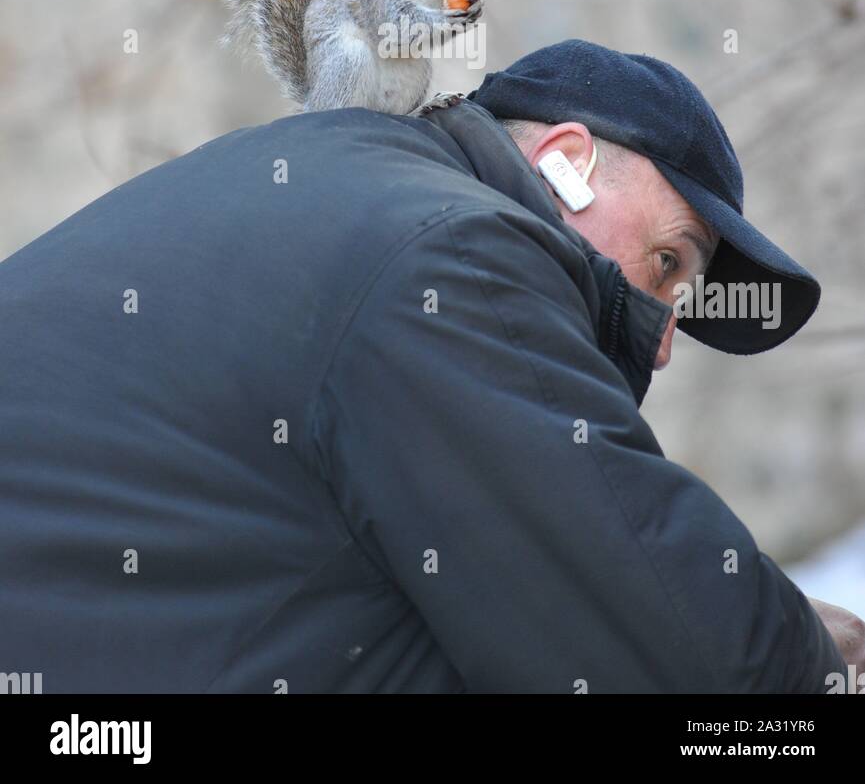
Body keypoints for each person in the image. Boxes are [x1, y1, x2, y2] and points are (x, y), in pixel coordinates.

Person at [0, 39, 861, 693]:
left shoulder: (328, 186)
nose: (665, 335)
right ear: (563, 163)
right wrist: (823, 663)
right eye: (669, 264)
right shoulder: (451, 254)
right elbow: (665, 651)